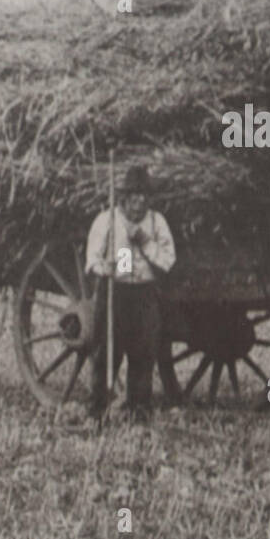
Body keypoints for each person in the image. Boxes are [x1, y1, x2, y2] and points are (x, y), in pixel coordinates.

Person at [84, 165, 176, 419]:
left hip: (145, 295)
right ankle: (97, 410)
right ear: (123, 198)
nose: (139, 202)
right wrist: (106, 267)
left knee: (144, 354)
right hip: (115, 293)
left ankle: (139, 410)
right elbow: (91, 259)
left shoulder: (157, 222)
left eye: (144, 196)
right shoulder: (108, 222)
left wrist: (145, 242)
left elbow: (168, 260)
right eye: (134, 196)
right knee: (107, 353)